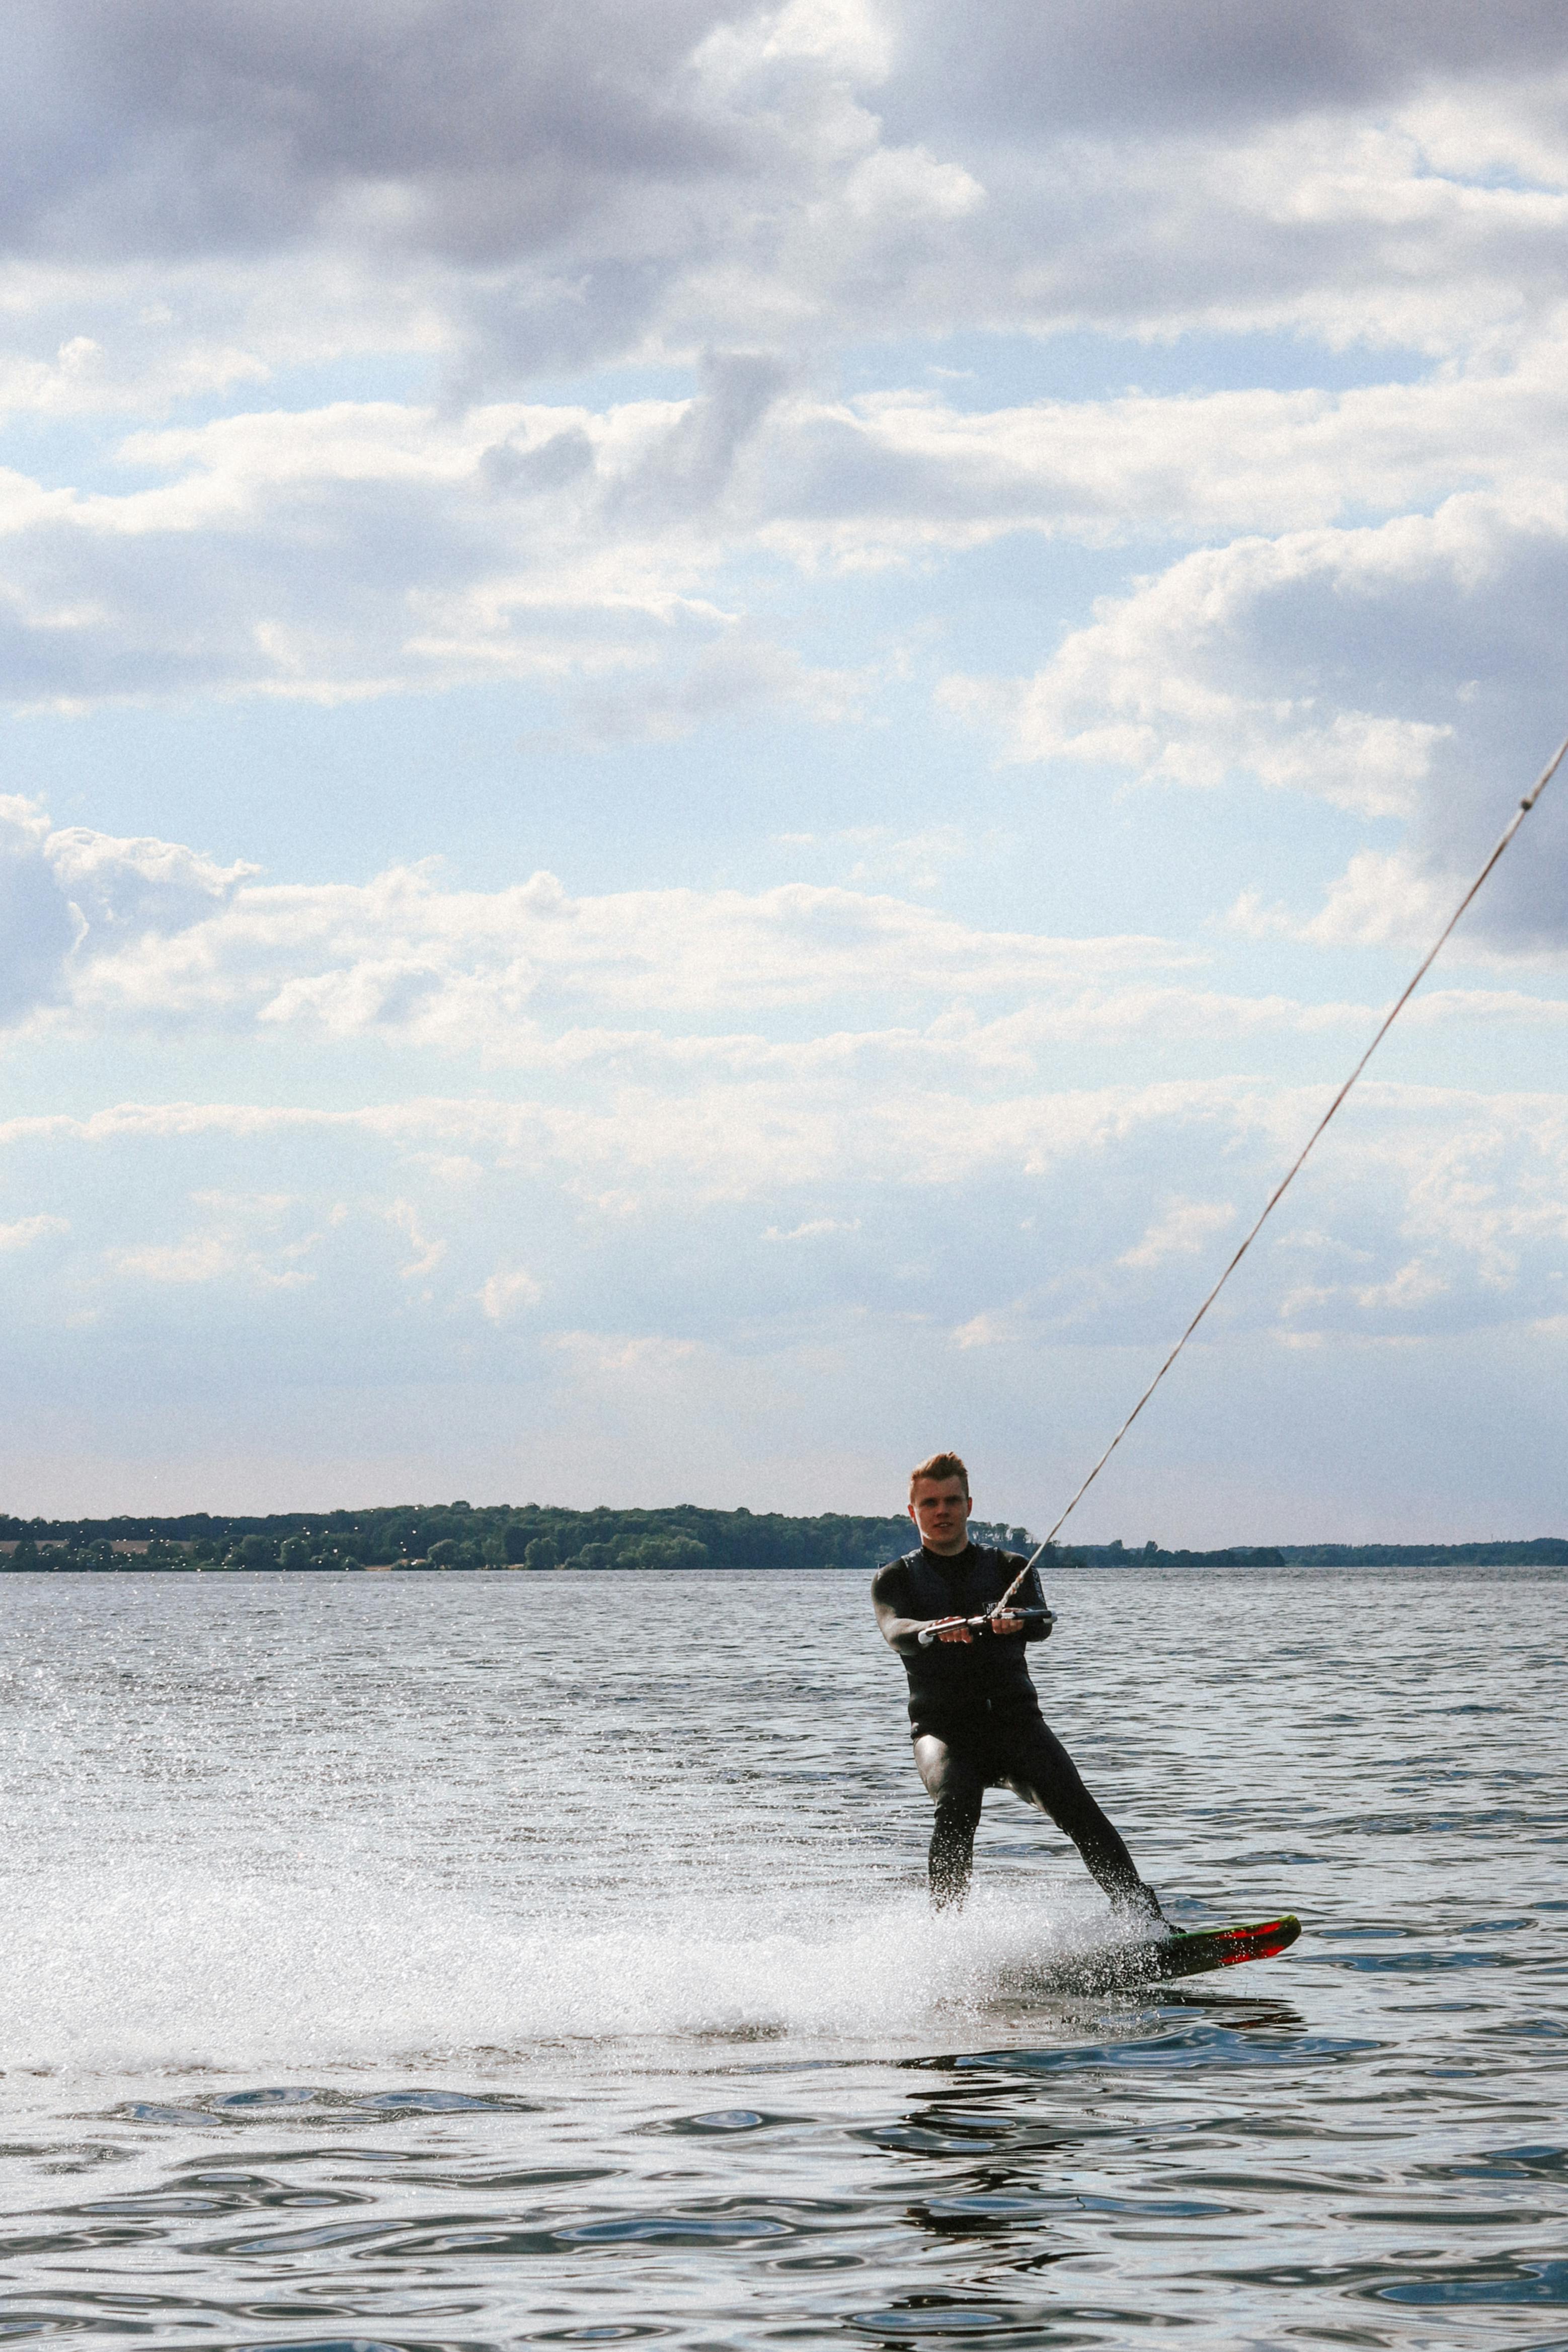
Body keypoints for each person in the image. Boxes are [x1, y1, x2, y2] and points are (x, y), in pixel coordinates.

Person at [872, 1450, 1171, 1926]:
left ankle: (1145, 1922)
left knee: (1079, 1810)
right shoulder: (895, 1579)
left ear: (970, 1506)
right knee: (956, 1807)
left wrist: (1020, 1621)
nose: (942, 1511)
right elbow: (895, 1630)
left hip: (1015, 1725)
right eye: (930, 1503)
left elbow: (1042, 1623)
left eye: (952, 1501)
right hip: (943, 1732)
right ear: (913, 1512)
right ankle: (946, 1938)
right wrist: (932, 1628)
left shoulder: (1011, 1566)